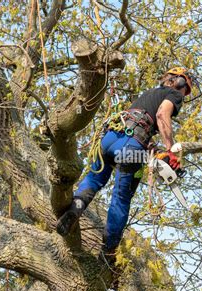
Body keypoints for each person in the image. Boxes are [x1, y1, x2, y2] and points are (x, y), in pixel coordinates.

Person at [56, 67, 194, 255]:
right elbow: (162, 115)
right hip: (130, 148)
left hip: (109, 139)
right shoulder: (174, 94)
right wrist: (170, 151)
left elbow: (142, 124)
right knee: (121, 197)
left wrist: (154, 148)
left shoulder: (148, 94)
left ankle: (75, 209)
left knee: (94, 179)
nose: (184, 95)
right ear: (180, 83)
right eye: (185, 90)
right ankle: (109, 250)